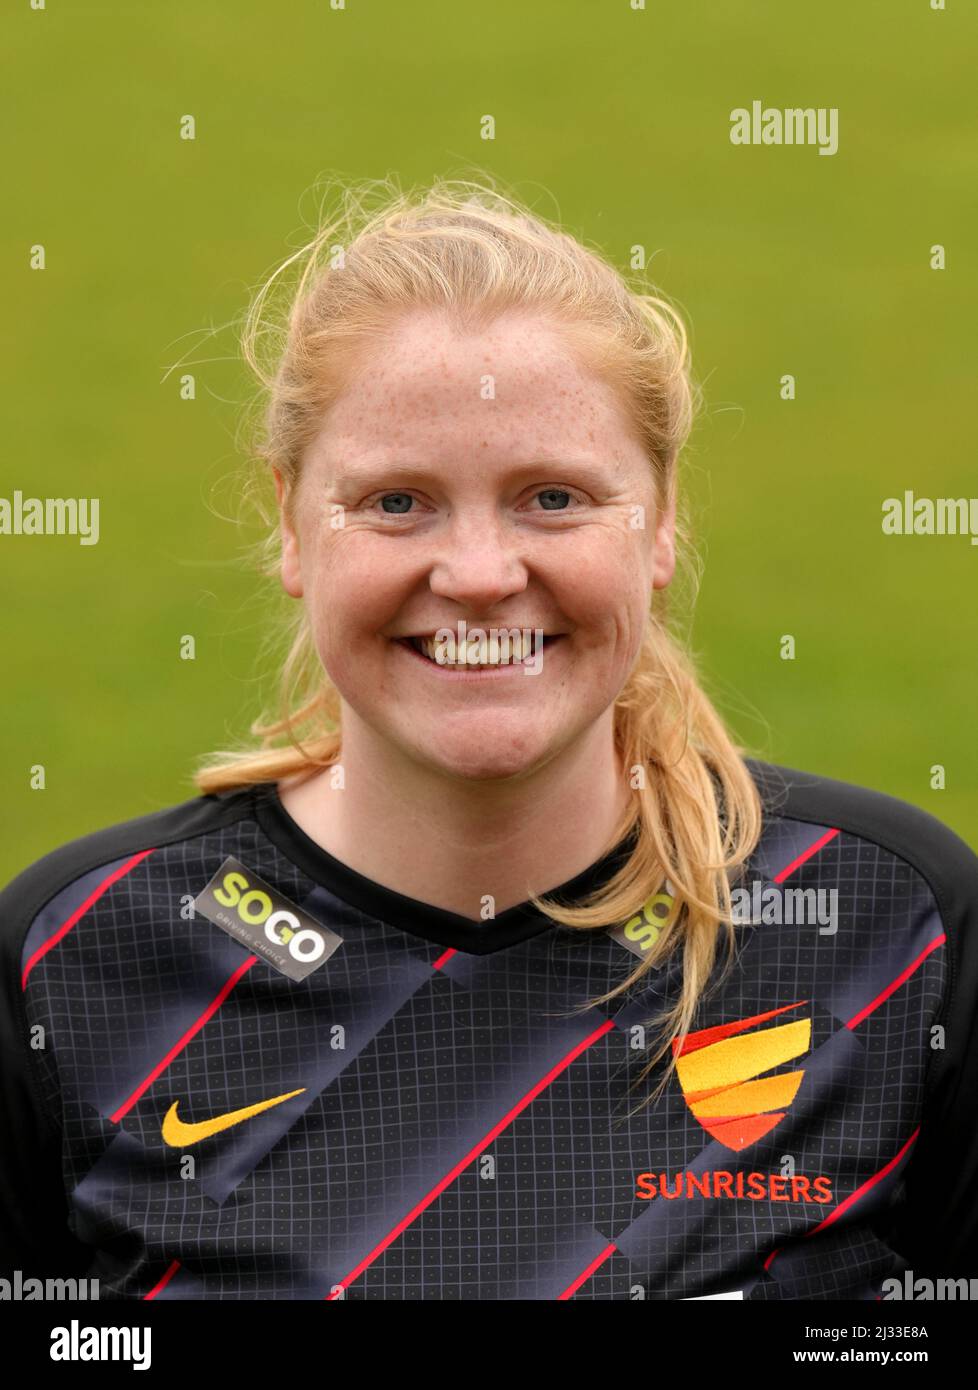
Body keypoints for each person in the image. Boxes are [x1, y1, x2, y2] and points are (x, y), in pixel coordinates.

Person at [2, 175, 976, 1302]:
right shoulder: (75, 965)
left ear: (660, 523)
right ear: (289, 524)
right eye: (397, 503)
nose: (477, 575)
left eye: (552, 498)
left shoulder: (893, 932)